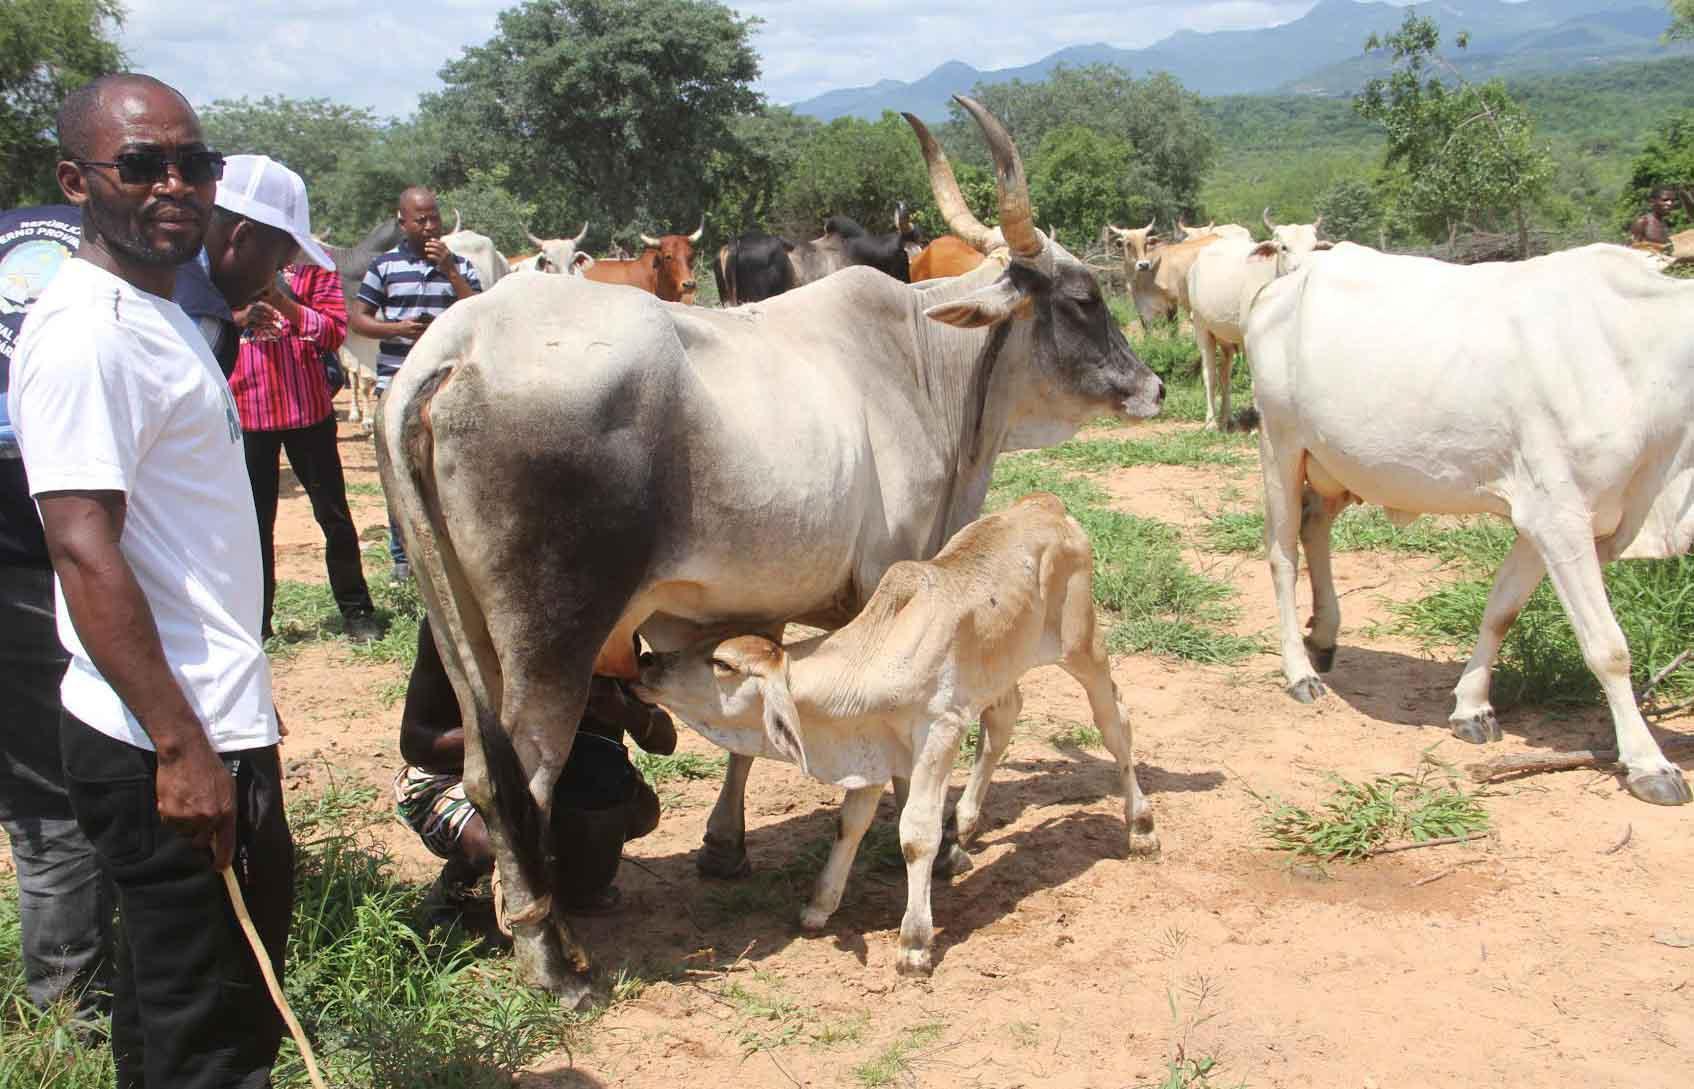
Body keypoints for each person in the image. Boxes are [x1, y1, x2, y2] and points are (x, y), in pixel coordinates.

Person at [9, 74, 319, 1088]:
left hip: (201, 711)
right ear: (77, 180)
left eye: (195, 164)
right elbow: (82, 548)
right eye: (142, 165)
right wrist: (183, 746)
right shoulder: (89, 333)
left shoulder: (157, 312)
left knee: (176, 1013)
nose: (175, 186)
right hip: (163, 736)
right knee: (216, 1035)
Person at [396, 614, 672, 925]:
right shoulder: (458, 619)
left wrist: (623, 710)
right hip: (459, 775)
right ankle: (458, 886)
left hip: (554, 776)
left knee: (638, 809)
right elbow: (418, 743)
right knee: (500, 841)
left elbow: (664, 740)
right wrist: (523, 730)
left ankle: (570, 884)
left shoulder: (609, 631)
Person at [226, 182, 383, 642]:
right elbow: (204, 319)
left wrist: (283, 304)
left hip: (307, 410)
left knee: (334, 516)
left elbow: (334, 332)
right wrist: (241, 319)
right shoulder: (226, 261)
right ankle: (258, 622)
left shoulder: (317, 264)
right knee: (254, 523)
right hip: (246, 411)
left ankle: (357, 612)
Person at [348, 186, 480, 581]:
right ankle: (402, 556)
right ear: (402, 222)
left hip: (451, 384)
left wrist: (451, 272)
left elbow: (479, 312)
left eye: (434, 218)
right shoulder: (384, 267)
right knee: (401, 468)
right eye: (420, 220)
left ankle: (455, 551)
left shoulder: (460, 265)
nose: (429, 226)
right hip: (398, 382)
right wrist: (397, 329)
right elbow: (358, 319)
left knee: (453, 470)